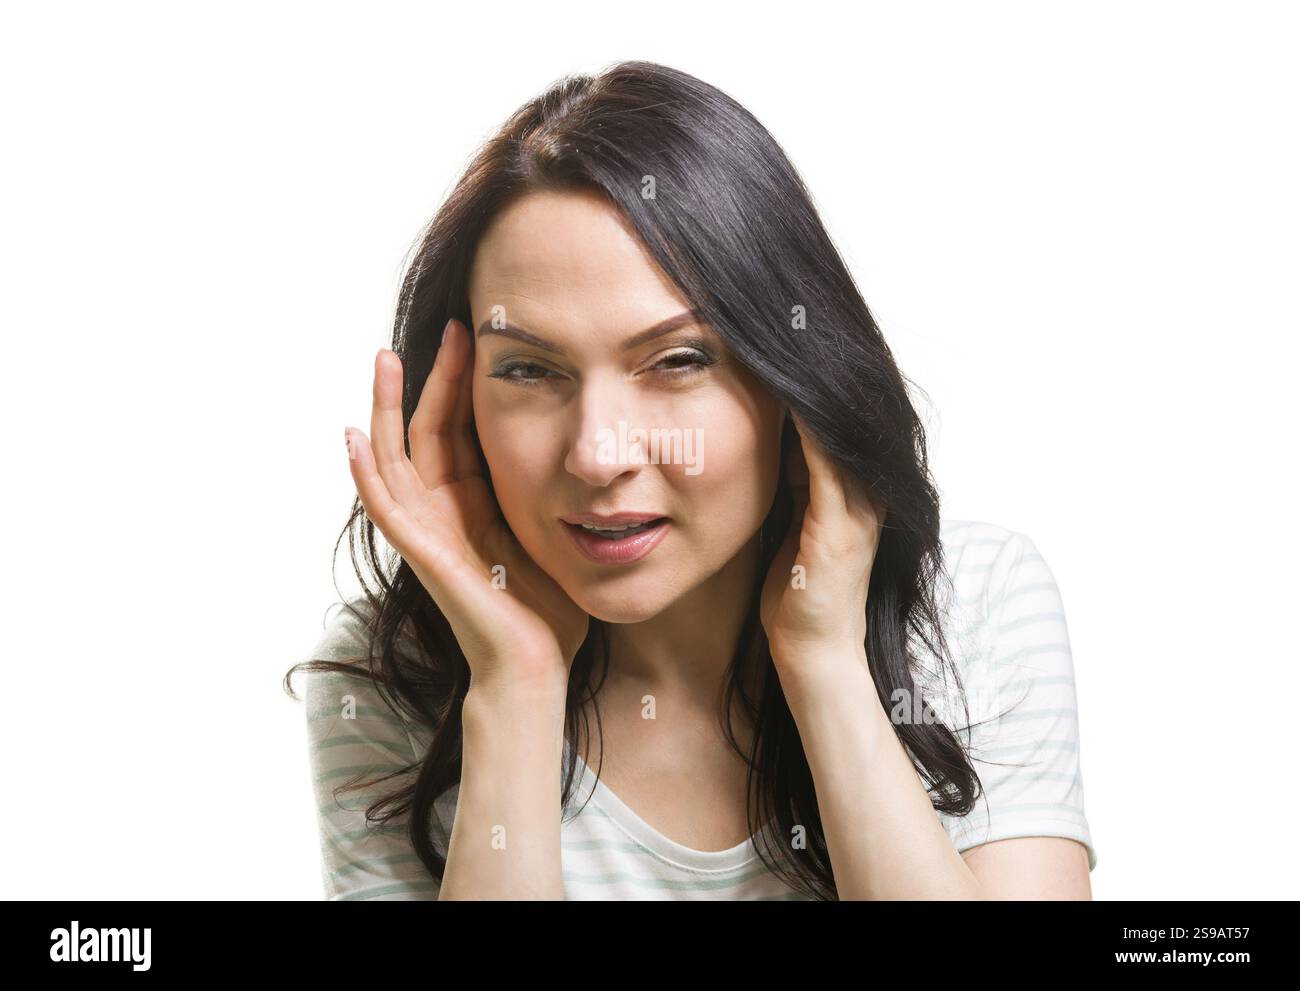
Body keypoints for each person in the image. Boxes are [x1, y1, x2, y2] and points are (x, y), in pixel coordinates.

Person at [285, 60, 1095, 900]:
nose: (599, 454)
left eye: (677, 360)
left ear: (791, 377)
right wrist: (515, 687)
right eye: (529, 369)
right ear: (455, 403)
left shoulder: (974, 608)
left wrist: (823, 663)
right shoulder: (389, 675)